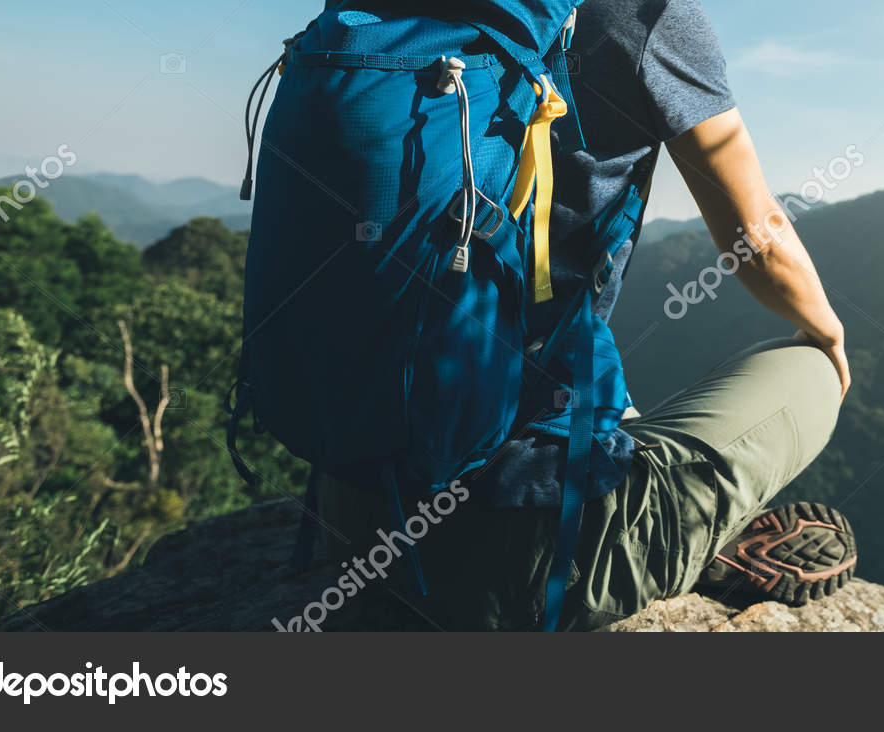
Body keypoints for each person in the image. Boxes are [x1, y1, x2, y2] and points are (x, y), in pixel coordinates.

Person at [314, 0, 855, 631]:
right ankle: (670, 536)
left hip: (350, 515)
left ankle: (644, 500)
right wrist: (832, 337)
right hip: (516, 566)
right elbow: (757, 240)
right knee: (809, 368)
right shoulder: (648, 15)